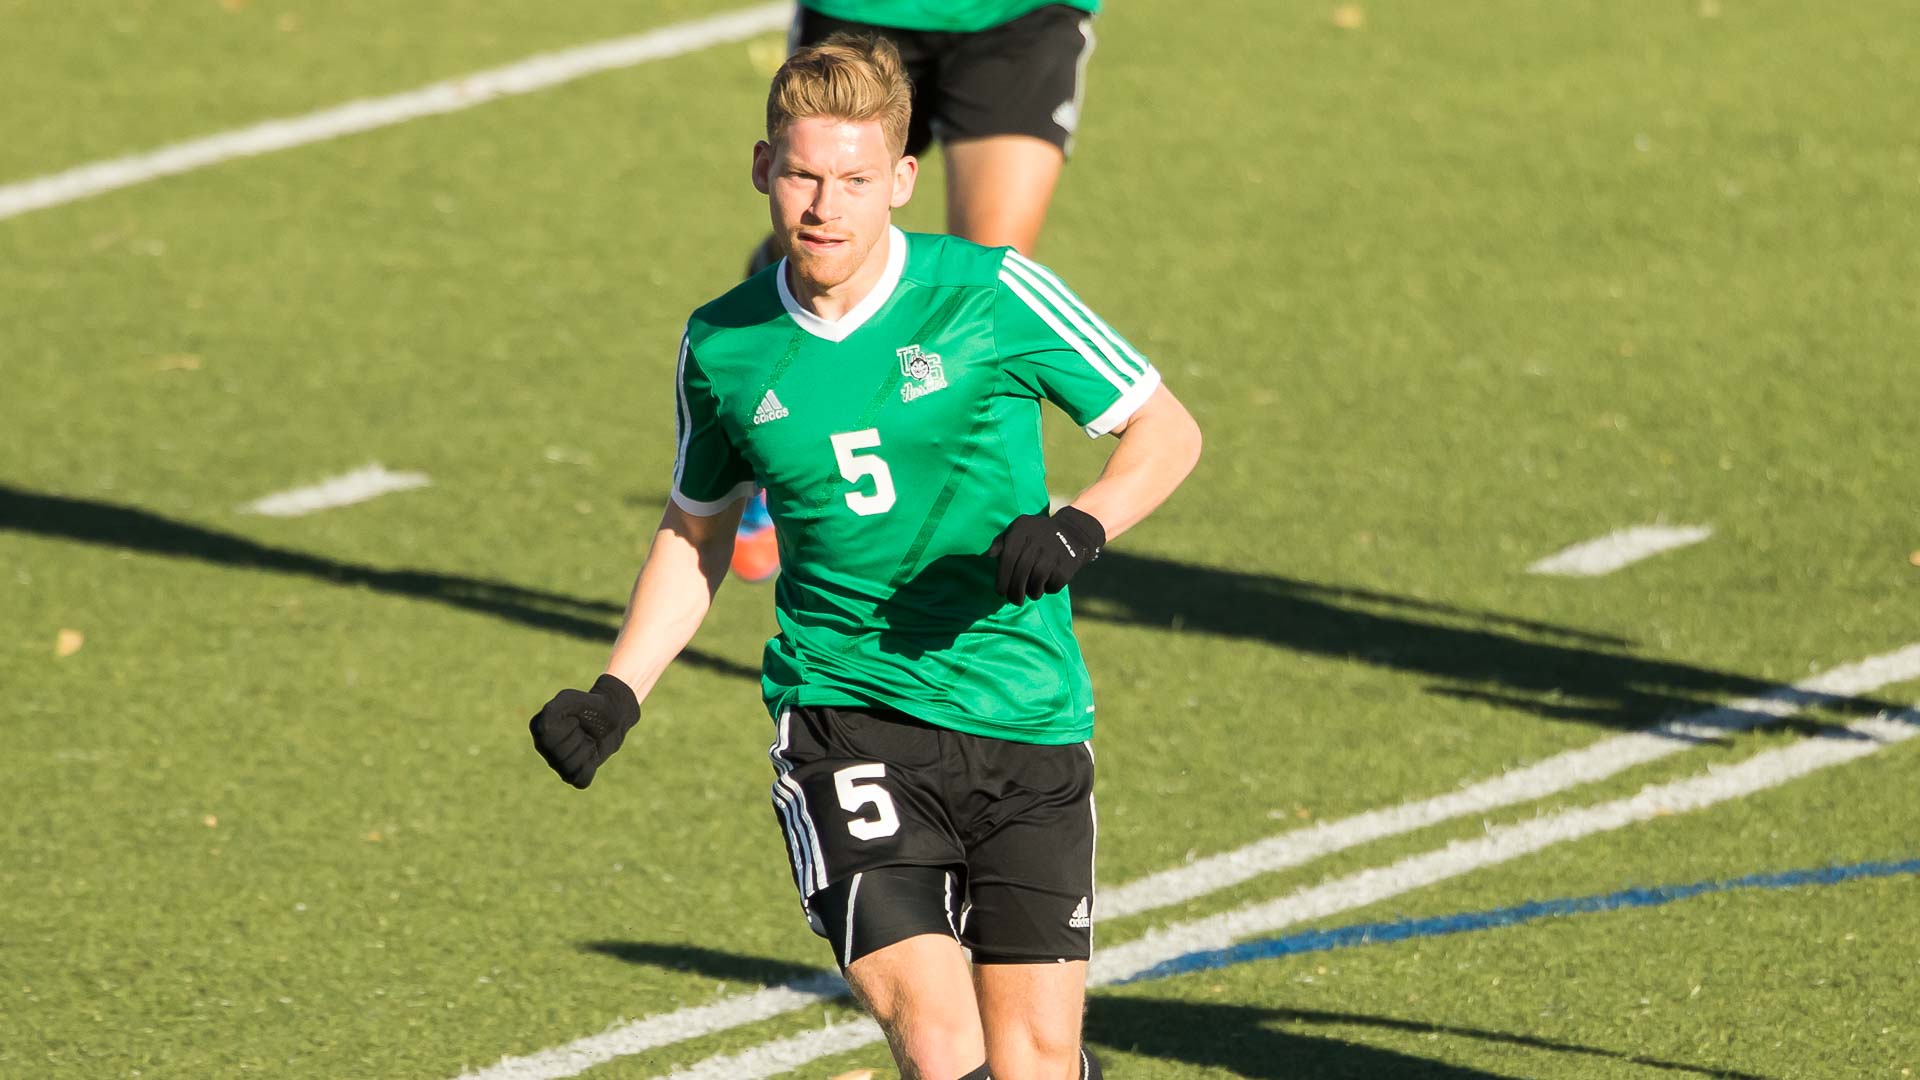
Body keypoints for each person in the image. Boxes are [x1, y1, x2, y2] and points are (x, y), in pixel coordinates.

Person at [529, 35, 1200, 1080]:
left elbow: (1166, 432)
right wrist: (620, 690)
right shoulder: (724, 344)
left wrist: (1081, 525)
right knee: (941, 1044)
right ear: (763, 168)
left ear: (900, 180)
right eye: (801, 173)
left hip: (1023, 711)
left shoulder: (993, 292)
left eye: (852, 180)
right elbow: (697, 529)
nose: (823, 206)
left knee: (1035, 1060)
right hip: (849, 718)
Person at [732, 0, 1102, 582]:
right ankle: (774, 428)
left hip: (1015, 18)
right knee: (816, 238)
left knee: (984, 286)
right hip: (864, 9)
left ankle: (934, 516)